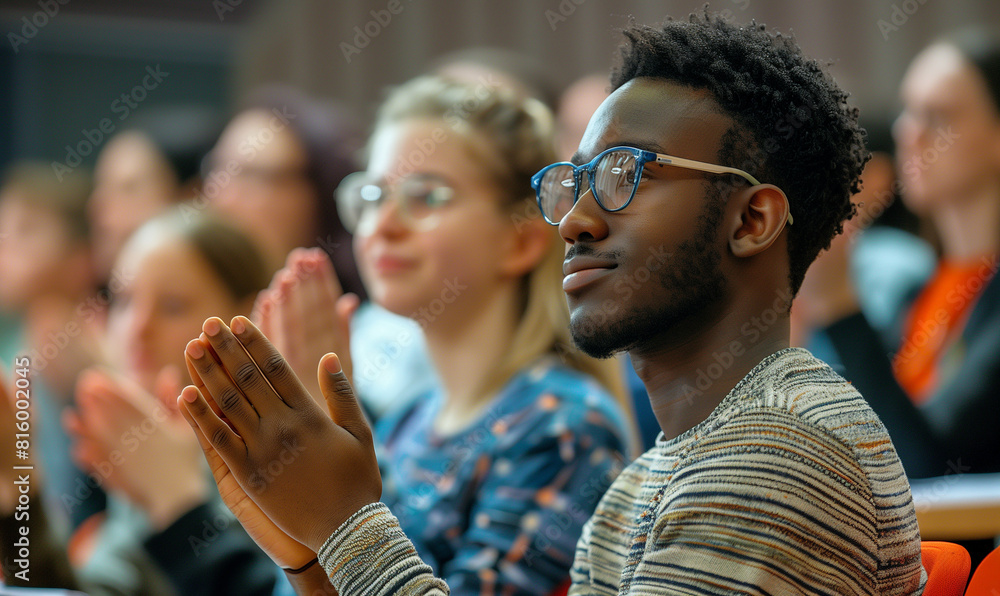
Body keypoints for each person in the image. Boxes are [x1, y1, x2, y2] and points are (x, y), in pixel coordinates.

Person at [179, 12, 925, 595]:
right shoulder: (650, 479)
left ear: (753, 220)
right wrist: (314, 562)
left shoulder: (774, 451)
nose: (575, 219)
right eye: (574, 183)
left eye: (624, 174)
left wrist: (345, 526)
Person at [187, 74, 633, 596]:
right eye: (372, 196)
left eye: (426, 196)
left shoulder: (564, 425)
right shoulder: (406, 422)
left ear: (521, 240)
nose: (383, 224)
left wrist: (342, 480)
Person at [794, 27, 1000, 481]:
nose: (910, 132)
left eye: (938, 115)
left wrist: (839, 302)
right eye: (908, 111)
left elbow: (930, 467)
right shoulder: (919, 293)